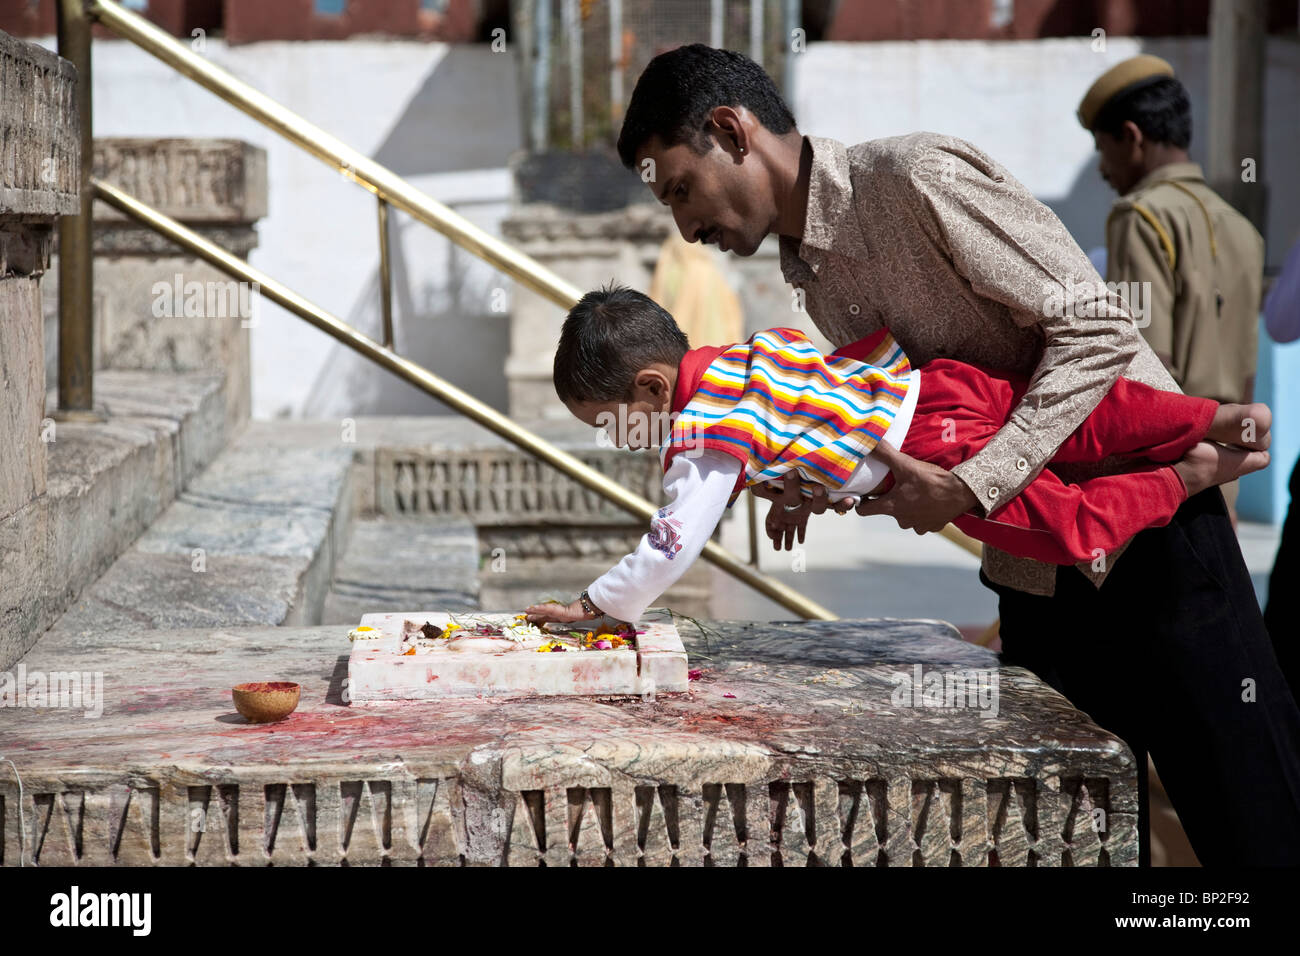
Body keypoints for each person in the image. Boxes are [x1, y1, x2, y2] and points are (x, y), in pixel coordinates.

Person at [607, 43, 1300, 866]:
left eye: (681, 187)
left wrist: (974, 483)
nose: (686, 226)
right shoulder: (816, 279)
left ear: (732, 130)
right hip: (1036, 572)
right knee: (1083, 839)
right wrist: (812, 477)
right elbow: (896, 418)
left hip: (1153, 541)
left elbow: (1097, 329)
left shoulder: (913, 177)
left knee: (1256, 830)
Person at [525, 286, 1269, 626]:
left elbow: (673, 538)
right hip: (937, 388)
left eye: (613, 420)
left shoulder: (699, 428)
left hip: (929, 455)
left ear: (653, 388)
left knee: (1066, 530)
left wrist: (600, 605)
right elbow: (810, 408)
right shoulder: (739, 357)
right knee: (1082, 422)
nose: (621, 437)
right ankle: (1212, 415)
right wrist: (800, 483)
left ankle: (1189, 473)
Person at [1080, 54, 1266, 524]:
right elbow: (1246, 367)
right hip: (1227, 455)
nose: (1104, 170)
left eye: (1103, 149)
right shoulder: (1242, 228)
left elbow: (1141, 358)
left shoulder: (1138, 216)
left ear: (1131, 136)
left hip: (1168, 461)